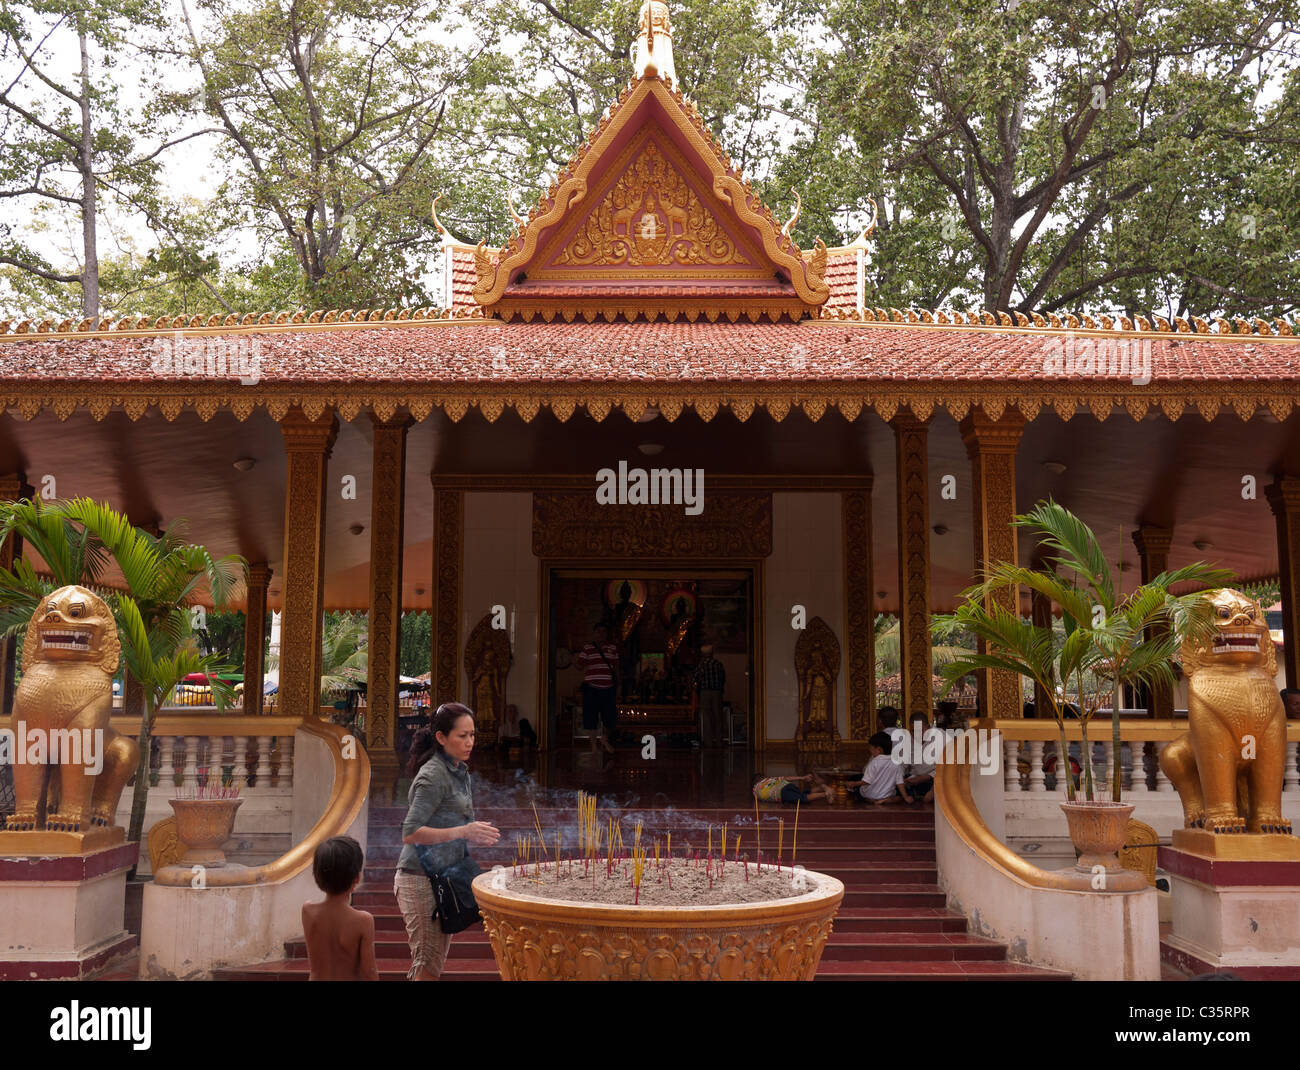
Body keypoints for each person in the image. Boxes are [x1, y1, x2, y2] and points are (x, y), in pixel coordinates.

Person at [395, 702, 500, 981]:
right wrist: (465, 831)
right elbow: (411, 831)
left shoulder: (458, 770)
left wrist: (469, 831)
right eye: (462, 736)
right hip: (419, 877)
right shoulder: (433, 776)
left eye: (472, 735)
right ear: (441, 738)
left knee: (432, 965)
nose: (469, 743)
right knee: (427, 965)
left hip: (444, 874)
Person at [302, 836, 378, 981]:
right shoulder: (363, 920)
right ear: (356, 878)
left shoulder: (307, 911)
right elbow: (369, 973)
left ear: (317, 876)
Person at [578, 623, 619, 754]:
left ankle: (605, 739)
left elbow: (616, 668)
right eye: (599, 631)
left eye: (604, 631)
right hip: (591, 688)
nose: (601, 634)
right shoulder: (587, 648)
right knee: (590, 718)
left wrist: (618, 686)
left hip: (608, 688)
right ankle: (594, 746)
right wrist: (574, 660)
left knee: (610, 718)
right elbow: (579, 666)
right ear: (594, 633)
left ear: (606, 634)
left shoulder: (613, 648)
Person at [853, 731, 910, 804]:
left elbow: (866, 781)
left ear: (879, 749)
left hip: (869, 794)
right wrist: (906, 797)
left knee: (857, 791)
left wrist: (853, 783)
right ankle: (885, 800)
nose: (869, 750)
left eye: (871, 748)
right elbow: (900, 782)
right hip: (886, 795)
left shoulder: (874, 762)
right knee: (899, 797)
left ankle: (871, 800)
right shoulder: (896, 763)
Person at [693, 642, 727, 747]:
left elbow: (695, 679)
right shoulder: (718, 664)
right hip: (717, 692)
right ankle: (719, 741)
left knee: (706, 717)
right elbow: (723, 678)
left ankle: (708, 742)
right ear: (712, 653)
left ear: (703, 654)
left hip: (705, 692)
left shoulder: (701, 665)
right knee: (718, 716)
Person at [902, 712, 935, 803]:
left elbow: (948, 768)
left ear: (928, 727)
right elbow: (902, 764)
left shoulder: (942, 738)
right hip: (913, 779)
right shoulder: (908, 739)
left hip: (934, 782)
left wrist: (927, 777)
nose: (917, 735)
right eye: (913, 731)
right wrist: (900, 780)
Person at [753, 773, 832, 805]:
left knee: (803, 798)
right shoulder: (769, 779)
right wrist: (802, 778)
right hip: (787, 785)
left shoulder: (755, 790)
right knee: (802, 793)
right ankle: (821, 787)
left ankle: (825, 794)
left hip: (781, 793)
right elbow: (787, 778)